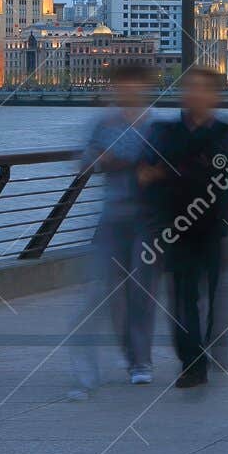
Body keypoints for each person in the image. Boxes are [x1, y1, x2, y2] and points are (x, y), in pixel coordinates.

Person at [139, 67, 228, 389]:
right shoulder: (164, 132)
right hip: (176, 227)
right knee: (183, 297)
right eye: (190, 88)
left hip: (212, 228)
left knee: (211, 297)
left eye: (202, 89)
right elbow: (145, 173)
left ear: (214, 96)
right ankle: (192, 363)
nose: (195, 94)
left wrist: (225, 221)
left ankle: (209, 348)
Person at [69, 62, 157, 397]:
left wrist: (124, 162)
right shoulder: (103, 125)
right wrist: (104, 160)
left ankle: (141, 362)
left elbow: (164, 168)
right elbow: (85, 165)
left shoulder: (157, 128)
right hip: (112, 218)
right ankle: (129, 356)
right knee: (113, 292)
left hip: (149, 220)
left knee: (143, 291)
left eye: (136, 86)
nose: (129, 92)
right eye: (123, 87)